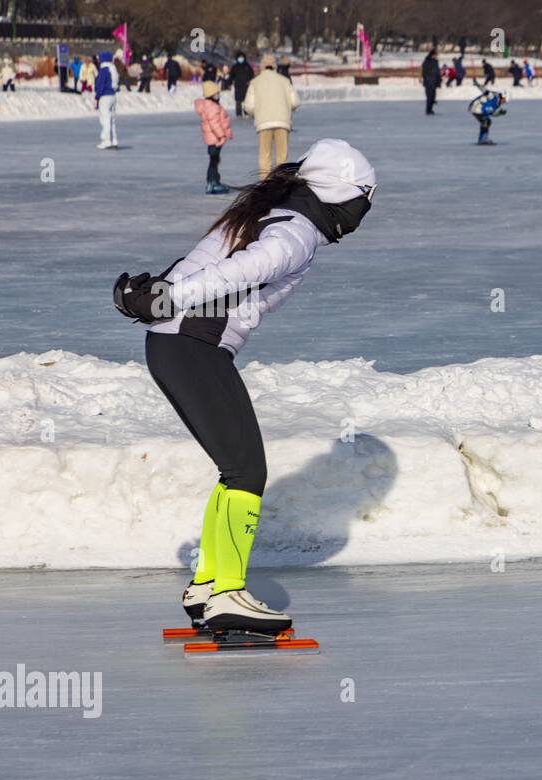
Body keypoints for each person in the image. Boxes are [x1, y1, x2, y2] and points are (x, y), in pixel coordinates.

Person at [111, 140, 377, 634]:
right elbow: (239, 271)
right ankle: (226, 594)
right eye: (365, 197)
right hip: (192, 346)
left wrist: (154, 293)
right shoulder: (294, 232)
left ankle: (209, 586)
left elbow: (202, 261)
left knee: (235, 469)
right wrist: (166, 299)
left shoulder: (277, 215)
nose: (366, 210)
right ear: (342, 194)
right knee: (246, 471)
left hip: (177, 346)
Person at [244, 55, 300, 177]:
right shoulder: (284, 81)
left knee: (265, 157)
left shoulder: (255, 82)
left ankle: (265, 185)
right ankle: (282, 182)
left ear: (262, 66)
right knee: (282, 158)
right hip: (283, 122)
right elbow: (295, 102)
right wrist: (288, 110)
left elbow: (248, 106)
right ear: (275, 66)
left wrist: (257, 113)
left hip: (263, 123)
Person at [194, 80, 232, 194]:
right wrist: (221, 136)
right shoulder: (213, 107)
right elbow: (214, 123)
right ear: (211, 95)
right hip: (215, 140)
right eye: (216, 93)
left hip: (212, 139)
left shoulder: (208, 105)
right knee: (214, 162)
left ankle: (213, 182)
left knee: (214, 161)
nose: (218, 95)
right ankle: (213, 183)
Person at [93, 51, 119, 150]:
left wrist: (97, 97)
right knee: (112, 120)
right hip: (113, 96)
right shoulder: (113, 70)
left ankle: (106, 140)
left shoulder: (104, 70)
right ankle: (114, 140)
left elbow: (100, 85)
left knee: (105, 119)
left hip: (105, 97)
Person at [230, 51, 253, 117]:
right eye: (239, 57)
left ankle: (246, 113)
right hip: (238, 85)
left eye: (242, 57)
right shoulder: (235, 67)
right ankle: (239, 113)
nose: (241, 59)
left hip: (246, 86)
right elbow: (231, 75)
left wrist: (250, 81)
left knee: (246, 100)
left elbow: (251, 75)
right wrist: (230, 82)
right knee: (238, 100)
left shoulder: (247, 66)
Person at [421, 46, 440, 115]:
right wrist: (428, 79)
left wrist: (438, 81)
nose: (436, 56)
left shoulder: (435, 62)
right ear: (432, 55)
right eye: (435, 55)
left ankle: (430, 109)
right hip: (429, 82)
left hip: (434, 82)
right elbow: (425, 72)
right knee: (430, 97)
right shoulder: (427, 62)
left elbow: (437, 72)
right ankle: (428, 110)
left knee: (433, 96)